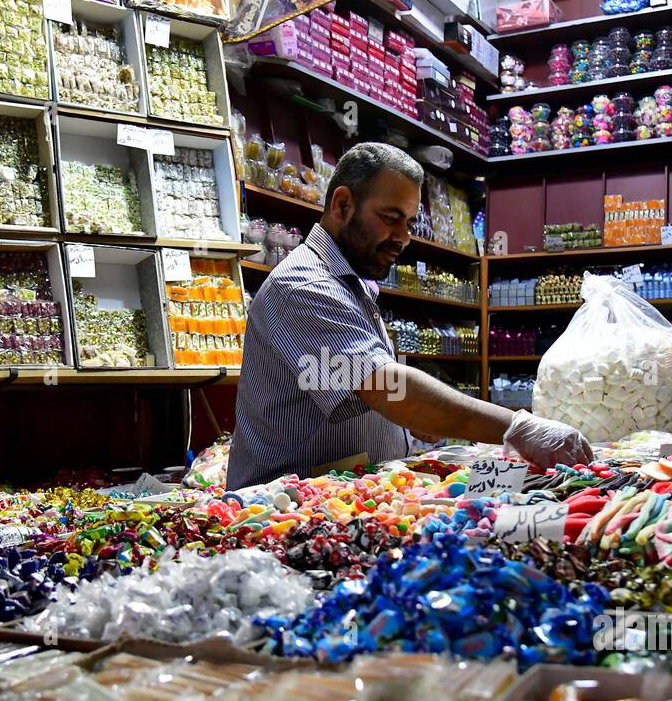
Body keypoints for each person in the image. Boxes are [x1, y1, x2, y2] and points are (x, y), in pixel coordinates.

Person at [227, 142, 592, 490]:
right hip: (274, 514)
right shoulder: (304, 286)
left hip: (333, 498)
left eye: (410, 223)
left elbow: (362, 388)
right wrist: (518, 427)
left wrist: (414, 420)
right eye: (391, 218)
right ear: (342, 205)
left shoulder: (354, 283)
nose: (403, 238)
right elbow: (388, 387)